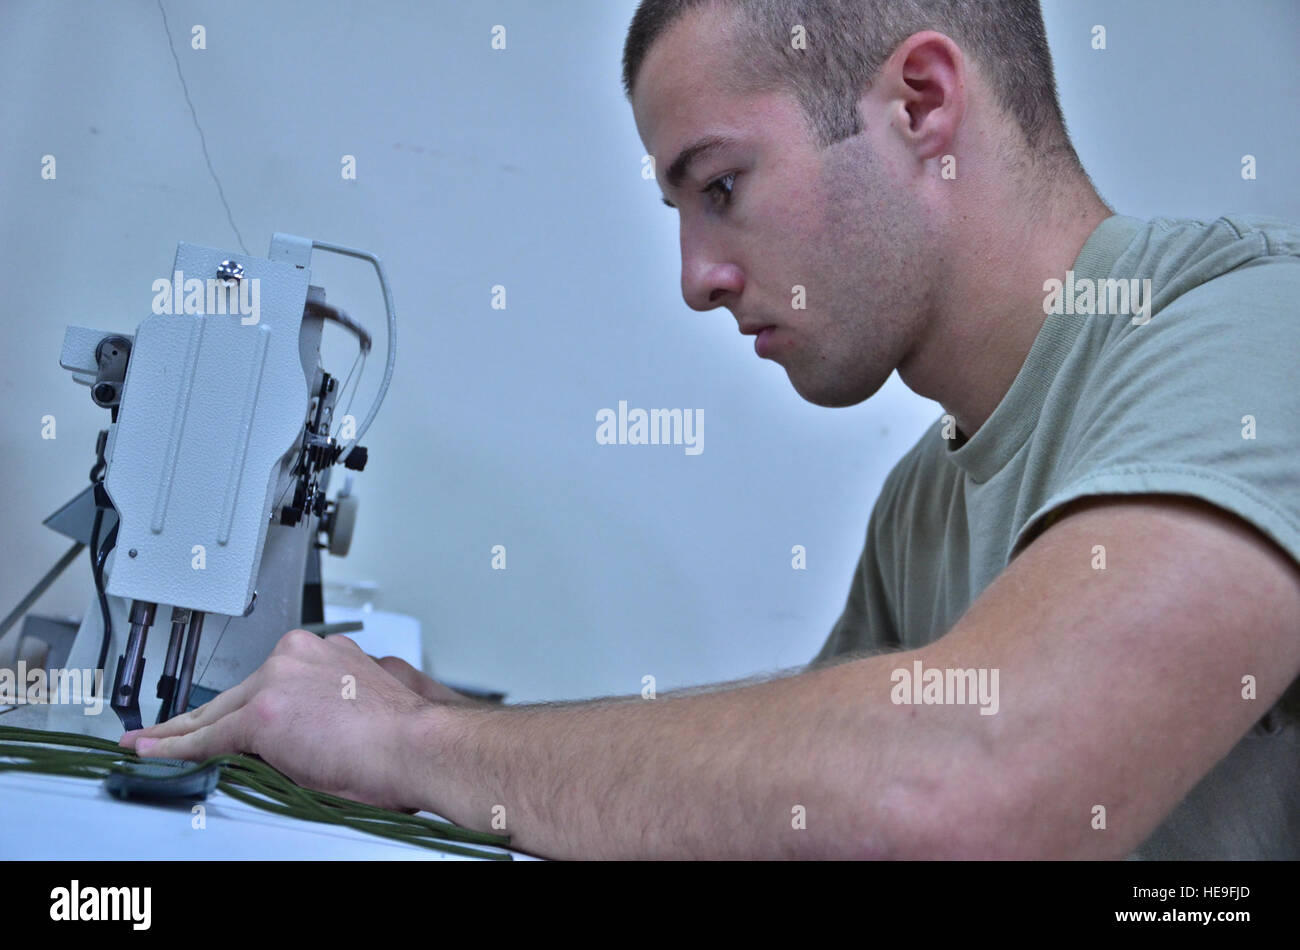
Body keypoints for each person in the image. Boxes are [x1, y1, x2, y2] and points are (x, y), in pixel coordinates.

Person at [121, 0, 1300, 860]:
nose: (694, 278)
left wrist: (421, 754)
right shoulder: (923, 503)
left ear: (920, 103)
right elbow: (803, 812)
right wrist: (445, 724)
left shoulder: (1257, 332)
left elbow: (971, 787)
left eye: (721, 185)